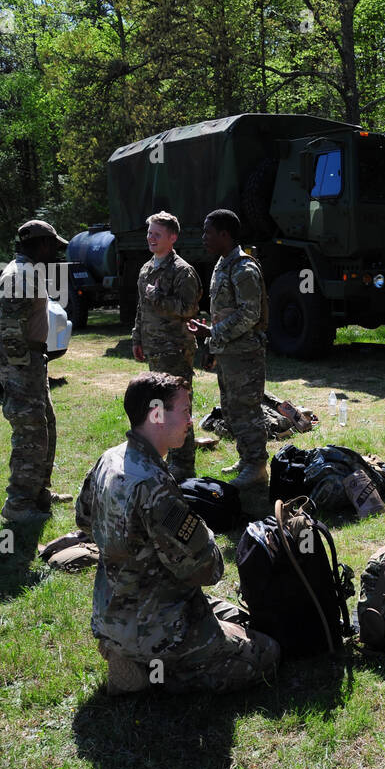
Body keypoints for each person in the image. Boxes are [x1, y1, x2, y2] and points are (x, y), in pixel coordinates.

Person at [76, 372, 280, 695]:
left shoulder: (109, 460)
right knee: (267, 652)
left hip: (112, 615)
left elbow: (84, 517)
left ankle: (124, 652)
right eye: (184, 411)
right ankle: (152, 674)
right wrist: (207, 537)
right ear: (157, 414)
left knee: (239, 616)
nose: (191, 420)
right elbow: (206, 568)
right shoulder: (154, 485)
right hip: (157, 629)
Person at [0, 219, 71, 522]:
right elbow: (10, 328)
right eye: (53, 246)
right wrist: (23, 369)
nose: (55, 252)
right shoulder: (19, 274)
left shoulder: (27, 271)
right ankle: (19, 504)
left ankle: (39, 491)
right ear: (40, 244)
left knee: (45, 425)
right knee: (29, 433)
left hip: (31, 361)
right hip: (21, 362)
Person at [201, 209, 268, 488]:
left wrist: (214, 333)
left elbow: (249, 314)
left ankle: (257, 467)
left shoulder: (243, 267)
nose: (204, 237)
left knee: (247, 409)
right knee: (231, 407)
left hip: (244, 353)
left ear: (225, 235)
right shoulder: (222, 264)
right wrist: (211, 340)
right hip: (228, 351)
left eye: (209, 232)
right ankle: (246, 458)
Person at [132, 211, 201, 481]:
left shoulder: (182, 271)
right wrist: (137, 338)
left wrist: (158, 295)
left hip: (175, 351)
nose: (151, 237)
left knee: (179, 409)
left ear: (172, 238)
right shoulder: (146, 268)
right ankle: (165, 459)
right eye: (149, 233)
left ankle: (184, 467)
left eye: (156, 234)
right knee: (158, 406)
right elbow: (141, 307)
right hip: (153, 349)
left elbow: (189, 309)